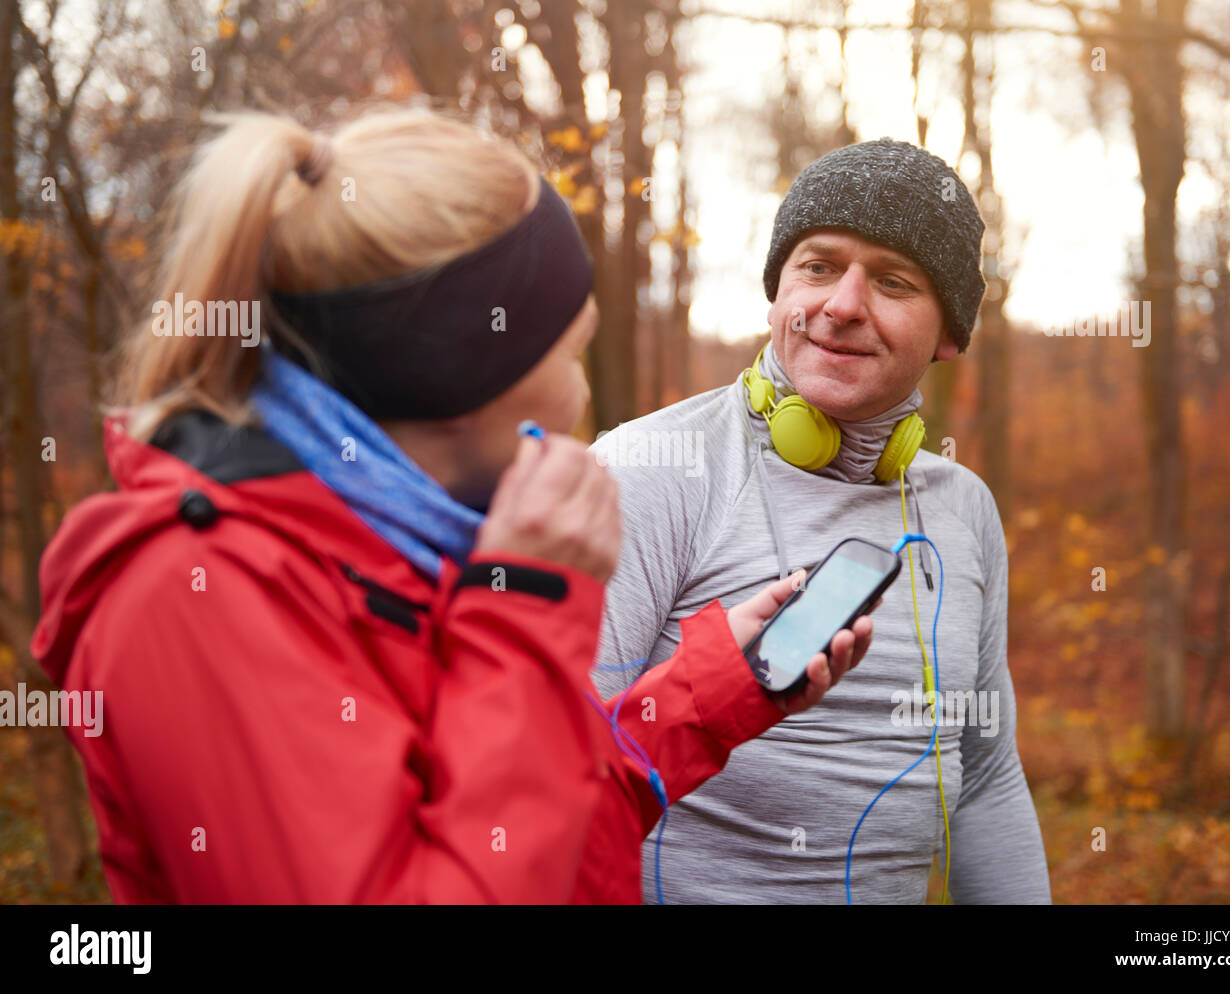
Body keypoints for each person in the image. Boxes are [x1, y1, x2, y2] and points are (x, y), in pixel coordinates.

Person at [29, 105, 876, 904]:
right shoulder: (191, 594)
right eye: (573, 349)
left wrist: (707, 692)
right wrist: (525, 608)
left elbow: (537, 842)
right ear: (468, 378)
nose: (582, 395)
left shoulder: (401, 541)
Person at [591, 139, 1052, 903]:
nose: (841, 305)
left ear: (948, 335)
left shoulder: (964, 509)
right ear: (777, 293)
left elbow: (987, 783)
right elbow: (558, 767)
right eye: (818, 266)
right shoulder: (649, 469)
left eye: (893, 282)